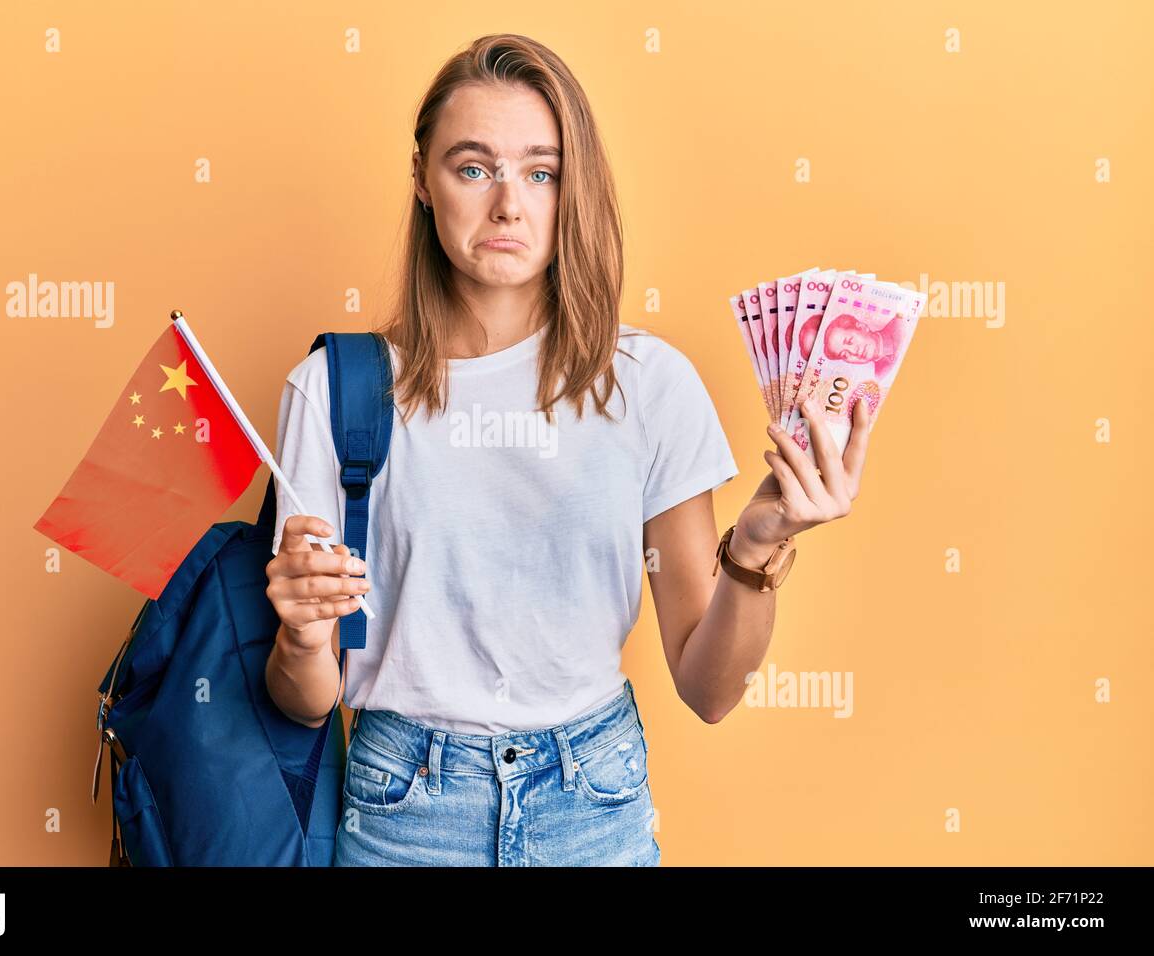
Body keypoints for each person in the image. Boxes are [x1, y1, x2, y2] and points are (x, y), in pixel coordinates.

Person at [263, 33, 873, 866]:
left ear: (570, 189)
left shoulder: (649, 385)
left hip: (594, 801)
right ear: (422, 180)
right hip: (404, 808)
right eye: (473, 167)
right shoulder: (335, 391)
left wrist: (758, 548)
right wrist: (300, 637)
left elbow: (709, 688)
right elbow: (304, 705)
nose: (508, 205)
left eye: (540, 173)